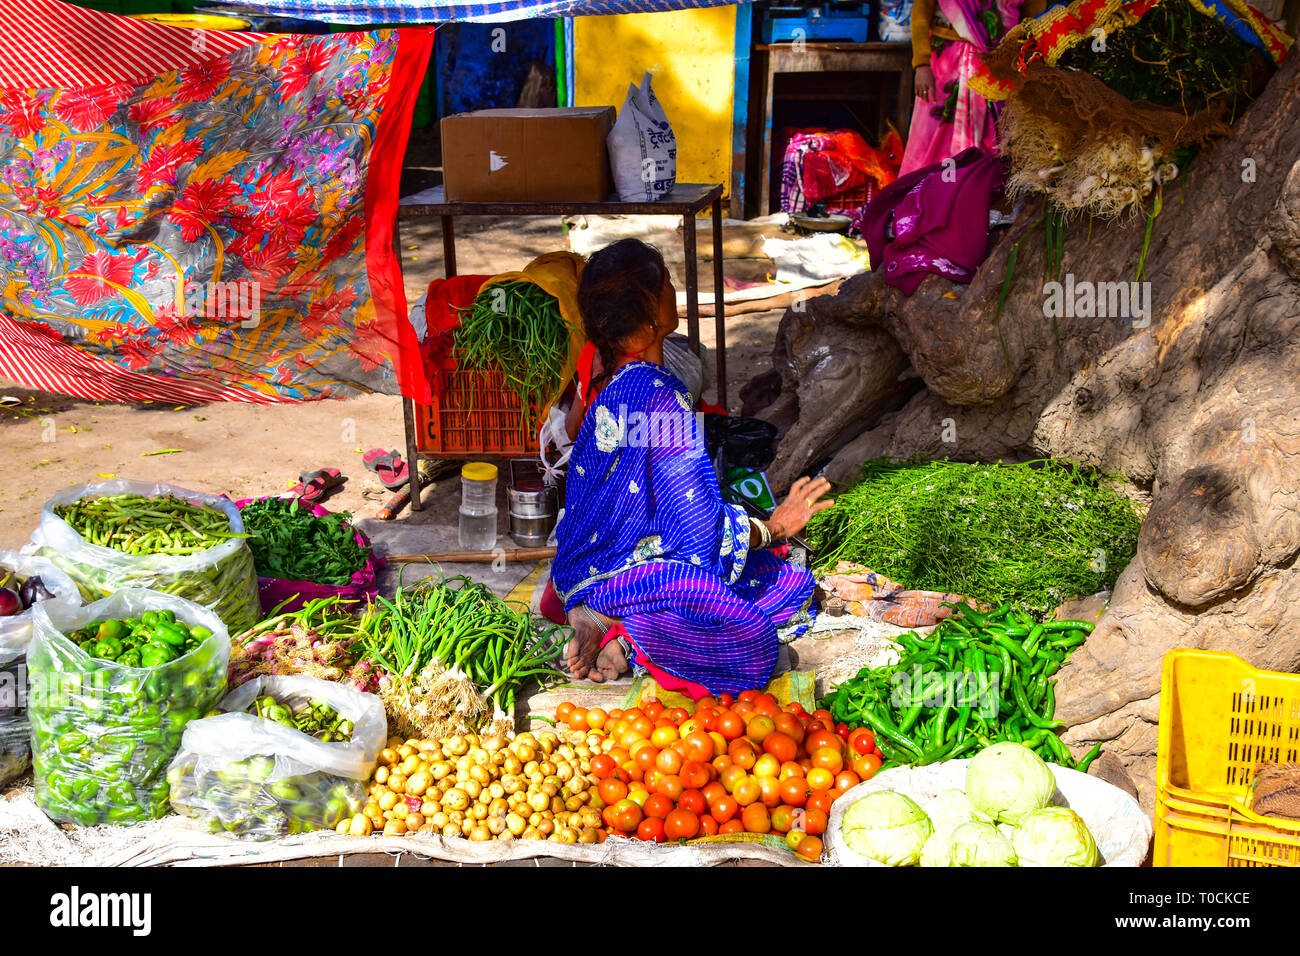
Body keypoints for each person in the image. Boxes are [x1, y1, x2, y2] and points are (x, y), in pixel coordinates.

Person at [551, 238, 834, 698]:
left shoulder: (611, 389)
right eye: (664, 283)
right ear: (646, 320)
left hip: (587, 574)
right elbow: (702, 536)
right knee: (779, 599)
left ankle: (605, 615)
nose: (672, 290)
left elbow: (591, 504)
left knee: (751, 575)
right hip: (649, 580)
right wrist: (776, 527)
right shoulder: (662, 397)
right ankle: (639, 639)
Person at [901, 0, 1046, 176]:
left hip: (1000, 68)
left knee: (994, 138)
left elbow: (1033, 19)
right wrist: (922, 64)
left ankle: (976, 191)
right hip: (945, 65)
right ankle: (929, 195)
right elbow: (920, 14)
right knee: (934, 141)